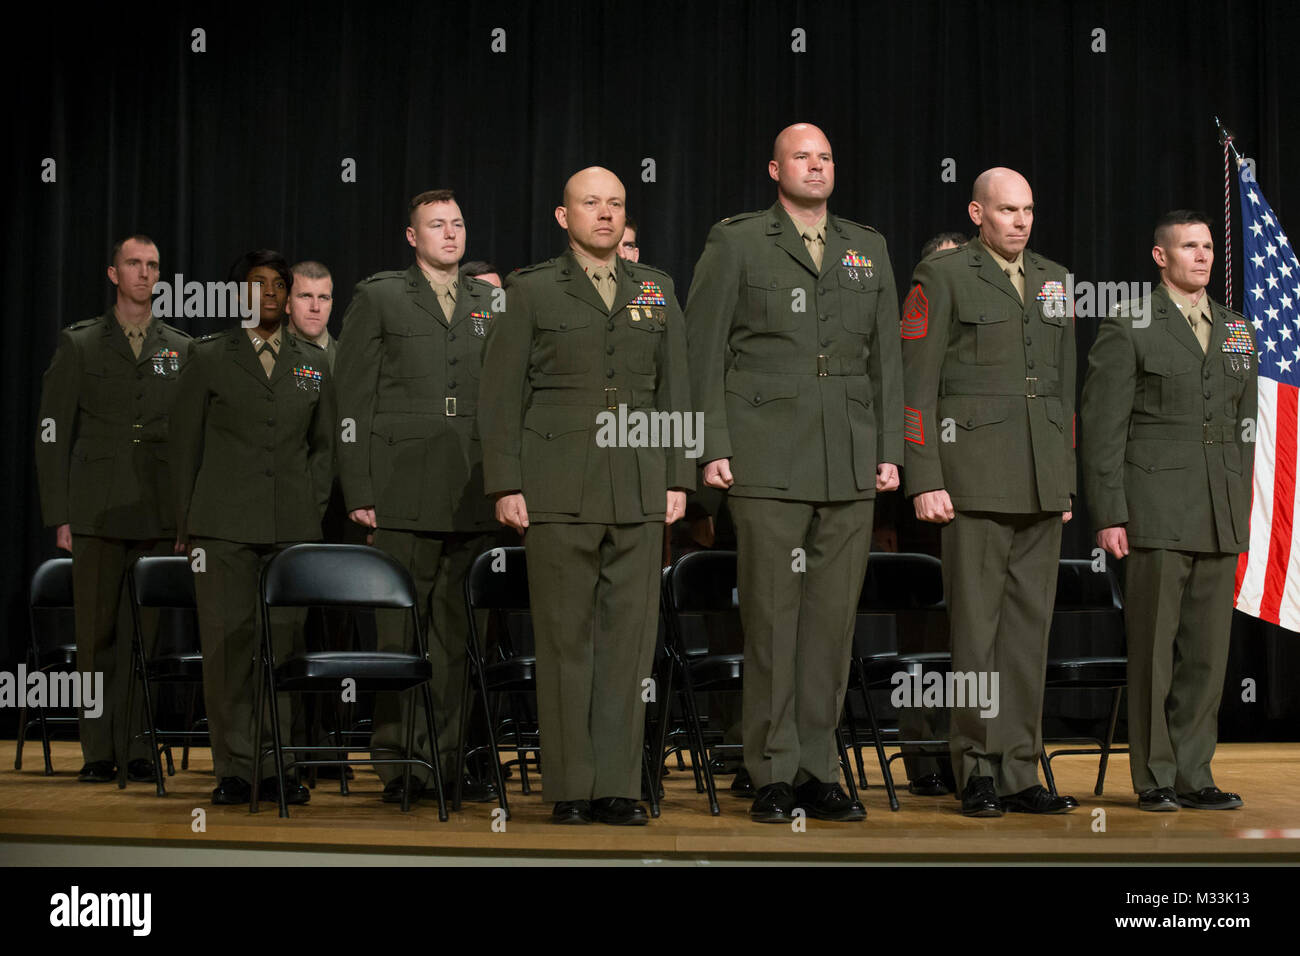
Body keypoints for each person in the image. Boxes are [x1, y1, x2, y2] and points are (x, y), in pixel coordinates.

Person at [685, 123, 903, 823]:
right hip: (765, 455)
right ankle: (771, 770)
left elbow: (886, 362)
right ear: (774, 168)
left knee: (832, 627)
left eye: (827, 157)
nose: (817, 166)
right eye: (803, 157)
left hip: (846, 457)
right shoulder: (739, 240)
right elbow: (704, 349)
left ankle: (817, 768)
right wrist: (710, 443)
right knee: (772, 622)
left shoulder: (866, 247)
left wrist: (890, 449)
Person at [480, 166, 694, 825]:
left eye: (615, 204)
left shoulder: (655, 290)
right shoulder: (530, 289)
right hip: (556, 484)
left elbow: (674, 387)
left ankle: (618, 787)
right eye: (590, 204)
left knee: (628, 643)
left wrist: (678, 476)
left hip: (634, 487)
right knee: (566, 641)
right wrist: (507, 482)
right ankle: (571, 788)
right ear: (562, 215)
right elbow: (499, 394)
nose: (604, 214)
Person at [902, 167, 1078, 816]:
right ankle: (974, 767)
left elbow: (1062, 387)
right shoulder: (944, 276)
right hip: (972, 479)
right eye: (1007, 210)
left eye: (1029, 209)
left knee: (1028, 635)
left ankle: (1020, 769)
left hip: (1039, 479)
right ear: (977, 214)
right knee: (976, 634)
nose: (1021, 221)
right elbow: (915, 388)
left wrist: (1063, 477)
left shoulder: (1057, 281)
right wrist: (925, 479)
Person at [1081, 210, 1254, 812]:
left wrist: (1242, 506)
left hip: (1218, 510)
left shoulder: (1236, 329)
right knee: (1154, 652)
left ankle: (1194, 773)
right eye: (1188, 246)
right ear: (1161, 256)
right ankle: (1153, 776)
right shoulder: (1130, 323)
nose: (1202, 256)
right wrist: (1109, 513)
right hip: (1153, 511)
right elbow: (1103, 428)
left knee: (1206, 657)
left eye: (1208, 246)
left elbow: (1243, 430)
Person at [334, 189, 501, 804]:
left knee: (459, 638)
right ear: (413, 237)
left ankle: (446, 762)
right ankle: (399, 764)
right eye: (437, 225)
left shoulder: (493, 300)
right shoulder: (379, 296)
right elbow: (350, 400)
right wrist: (360, 487)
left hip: (470, 487)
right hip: (400, 487)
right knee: (400, 635)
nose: (450, 234)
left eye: (457, 223)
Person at [171, 248, 334, 806]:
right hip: (221, 528)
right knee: (228, 647)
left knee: (283, 648)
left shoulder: (313, 361)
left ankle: (278, 765)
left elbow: (323, 447)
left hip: (291, 528)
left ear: (289, 295)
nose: (268, 294)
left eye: (277, 285)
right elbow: (184, 445)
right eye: (256, 284)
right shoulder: (208, 357)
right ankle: (236, 769)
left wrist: (308, 510)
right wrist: (185, 524)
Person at [35, 235, 193, 783]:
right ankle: (99, 750)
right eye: (134, 264)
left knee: (142, 639)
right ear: (113, 273)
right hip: (96, 512)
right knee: (97, 636)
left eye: (152, 264)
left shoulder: (180, 347)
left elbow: (190, 439)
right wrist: (60, 514)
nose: (144, 273)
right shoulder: (80, 344)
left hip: (155, 512)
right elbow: (51, 434)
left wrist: (184, 516)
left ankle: (138, 746)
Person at [286, 260, 337, 371]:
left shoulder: (354, 361)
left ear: (331, 304)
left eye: (323, 298)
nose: (315, 307)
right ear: (287, 303)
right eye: (306, 296)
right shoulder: (264, 358)